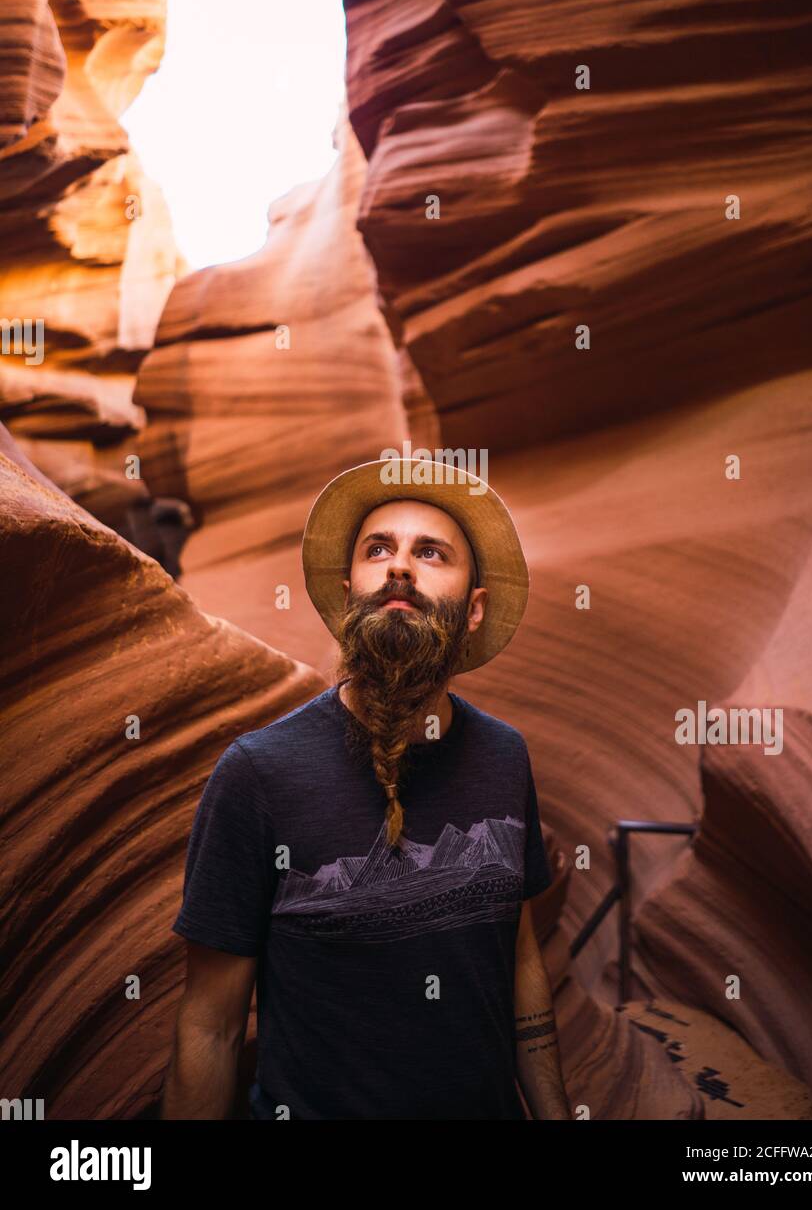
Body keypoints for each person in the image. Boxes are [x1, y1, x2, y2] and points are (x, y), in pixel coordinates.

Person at [162, 457, 570, 1120]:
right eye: (377, 549)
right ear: (349, 591)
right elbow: (211, 1028)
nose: (399, 566)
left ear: (473, 610)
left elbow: (519, 958)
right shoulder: (258, 774)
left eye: (430, 552)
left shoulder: (504, 757)